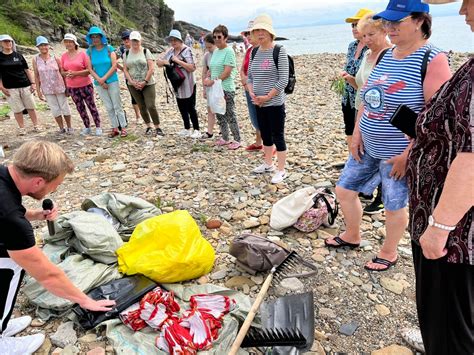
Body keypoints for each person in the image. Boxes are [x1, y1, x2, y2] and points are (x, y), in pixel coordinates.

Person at [325, 0, 452, 272]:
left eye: (397, 22)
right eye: (388, 22)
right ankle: (352, 235)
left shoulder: (433, 59)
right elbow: (367, 99)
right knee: (344, 190)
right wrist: (357, 133)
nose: (389, 27)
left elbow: (436, 119)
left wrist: (408, 155)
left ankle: (388, 251)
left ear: (419, 21)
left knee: (394, 206)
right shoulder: (385, 55)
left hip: (398, 152)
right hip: (367, 144)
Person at [0, 140, 115, 354]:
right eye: (57, 184)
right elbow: (47, 275)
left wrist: (34, 215)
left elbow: (9, 208)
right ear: (37, 182)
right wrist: (85, 301)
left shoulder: (5, 175)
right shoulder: (12, 221)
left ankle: (3, 323)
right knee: (8, 269)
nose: (56, 189)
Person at [405, 0, 473, 353]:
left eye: (470, 1)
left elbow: (473, 156)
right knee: (454, 319)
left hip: (456, 237)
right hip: (453, 228)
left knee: (451, 327)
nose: (463, 11)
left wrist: (440, 227)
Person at [342, 13, 392, 214]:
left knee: (383, 156)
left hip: (380, 115)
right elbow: (362, 85)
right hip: (361, 107)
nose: (366, 40)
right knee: (363, 149)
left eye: (371, 35)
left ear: (384, 31)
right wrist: (349, 79)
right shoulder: (366, 54)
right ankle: (367, 187)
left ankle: (382, 197)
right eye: (363, 36)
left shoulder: (390, 54)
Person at [248, 14, 289, 184]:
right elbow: (250, 77)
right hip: (258, 102)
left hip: (274, 103)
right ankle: (268, 163)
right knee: (265, 134)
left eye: (263, 29)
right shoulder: (254, 51)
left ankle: (281, 169)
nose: (259, 33)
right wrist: (252, 93)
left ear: (270, 32)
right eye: (256, 30)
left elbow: (283, 79)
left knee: (277, 135)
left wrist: (267, 97)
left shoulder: (279, 50)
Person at [203, 25, 241, 150]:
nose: (217, 39)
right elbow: (212, 68)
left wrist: (212, 81)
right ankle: (225, 138)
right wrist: (208, 76)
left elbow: (227, 72)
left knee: (230, 114)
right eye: (215, 37)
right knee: (219, 113)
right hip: (216, 88)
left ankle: (237, 139)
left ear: (225, 37)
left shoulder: (229, 51)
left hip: (226, 87)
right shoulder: (216, 51)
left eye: (219, 37)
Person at [157, 29, 200, 138]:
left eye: (175, 40)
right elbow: (159, 63)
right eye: (171, 40)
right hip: (177, 83)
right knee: (181, 106)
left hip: (188, 83)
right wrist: (166, 60)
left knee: (191, 107)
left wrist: (177, 61)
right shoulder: (170, 51)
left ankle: (196, 129)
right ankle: (186, 128)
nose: (173, 42)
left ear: (180, 40)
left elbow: (192, 68)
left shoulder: (187, 50)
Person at [86, 26, 128, 138]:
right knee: (109, 107)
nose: (95, 39)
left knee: (117, 105)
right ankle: (115, 128)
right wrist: (99, 80)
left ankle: (123, 127)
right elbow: (89, 68)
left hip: (112, 81)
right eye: (93, 37)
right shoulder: (90, 51)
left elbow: (114, 66)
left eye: (97, 36)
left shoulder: (109, 48)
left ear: (101, 37)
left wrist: (103, 79)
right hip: (98, 83)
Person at [60, 33, 102, 136]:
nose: (68, 44)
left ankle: (98, 126)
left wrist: (75, 73)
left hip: (85, 85)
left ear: (75, 43)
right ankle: (87, 127)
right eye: (67, 42)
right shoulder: (63, 56)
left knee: (91, 106)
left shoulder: (83, 54)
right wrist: (67, 74)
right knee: (80, 107)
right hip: (72, 87)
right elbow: (62, 71)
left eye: (70, 42)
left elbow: (89, 70)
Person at [123, 31, 164, 137]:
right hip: (133, 84)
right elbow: (125, 70)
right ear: (130, 41)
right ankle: (148, 126)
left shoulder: (146, 51)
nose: (135, 42)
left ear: (140, 40)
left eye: (137, 40)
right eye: (133, 40)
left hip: (148, 83)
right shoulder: (126, 53)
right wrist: (131, 81)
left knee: (151, 105)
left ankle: (157, 126)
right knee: (141, 106)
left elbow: (151, 68)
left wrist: (145, 81)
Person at [341, 9, 371, 150]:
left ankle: (360, 158)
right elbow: (348, 66)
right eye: (352, 25)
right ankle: (351, 158)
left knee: (361, 129)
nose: (354, 29)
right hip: (348, 94)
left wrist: (352, 78)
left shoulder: (372, 48)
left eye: (357, 24)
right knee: (349, 127)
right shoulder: (352, 46)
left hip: (362, 96)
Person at [0, 34, 41, 135]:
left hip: (25, 85)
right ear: (1, 43)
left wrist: (33, 83)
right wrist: (1, 87)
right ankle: (22, 128)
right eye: (5, 41)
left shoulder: (18, 55)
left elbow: (27, 70)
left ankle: (36, 125)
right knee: (17, 109)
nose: (8, 43)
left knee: (31, 106)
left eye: (9, 41)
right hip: (10, 87)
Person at [32, 36, 73, 135]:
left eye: (45, 45)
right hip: (47, 88)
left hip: (59, 86)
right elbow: (36, 75)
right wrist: (38, 90)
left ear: (48, 46)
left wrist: (67, 87)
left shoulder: (55, 58)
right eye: (41, 46)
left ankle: (69, 127)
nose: (43, 47)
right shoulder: (35, 59)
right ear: (38, 47)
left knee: (64, 107)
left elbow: (62, 72)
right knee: (54, 109)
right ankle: (61, 128)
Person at [240, 20, 262, 151]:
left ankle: (269, 145)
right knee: (254, 116)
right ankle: (259, 142)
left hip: (258, 89)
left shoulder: (263, 50)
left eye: (250, 33)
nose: (248, 36)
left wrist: (248, 82)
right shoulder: (250, 50)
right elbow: (242, 68)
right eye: (247, 33)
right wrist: (244, 81)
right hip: (248, 88)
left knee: (262, 117)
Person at [116, 30, 142, 124]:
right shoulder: (121, 49)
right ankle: (138, 116)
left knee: (142, 96)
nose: (126, 40)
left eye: (128, 38)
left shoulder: (137, 46)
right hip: (129, 77)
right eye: (124, 38)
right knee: (134, 96)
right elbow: (112, 60)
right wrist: (123, 69)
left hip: (141, 75)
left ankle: (144, 114)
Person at [201, 34, 217, 139]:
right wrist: (204, 88)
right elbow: (204, 72)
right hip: (209, 85)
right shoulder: (207, 55)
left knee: (221, 109)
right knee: (210, 109)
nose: (208, 49)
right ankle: (210, 132)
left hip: (218, 84)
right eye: (206, 47)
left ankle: (225, 132)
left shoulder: (219, 53)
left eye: (210, 47)